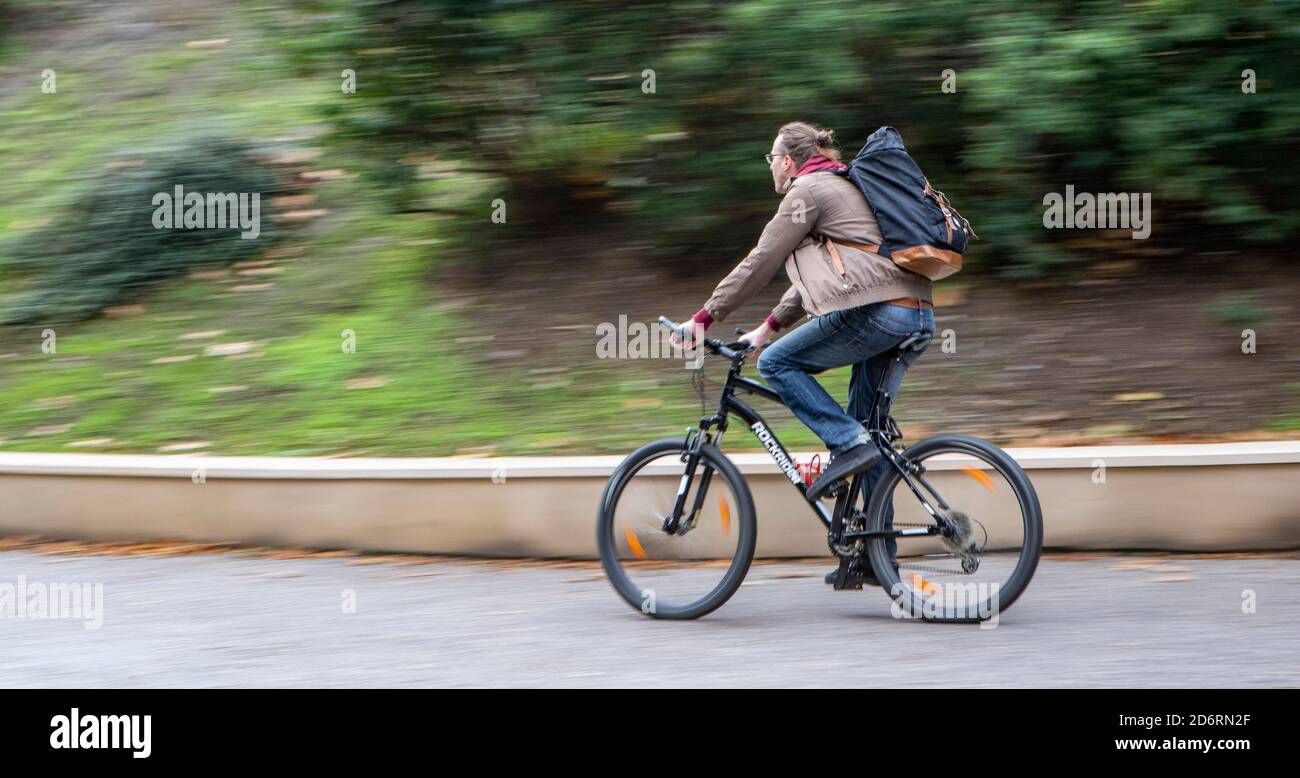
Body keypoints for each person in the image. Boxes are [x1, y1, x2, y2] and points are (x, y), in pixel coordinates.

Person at [669, 121, 937, 588]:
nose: (769, 167)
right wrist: (766, 328)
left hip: (877, 313)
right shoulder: (839, 186)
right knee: (869, 433)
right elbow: (828, 274)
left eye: (771, 159)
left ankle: (847, 444)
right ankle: (877, 558)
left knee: (779, 366)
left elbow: (763, 259)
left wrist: (704, 317)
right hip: (913, 314)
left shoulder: (806, 191)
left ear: (787, 161)